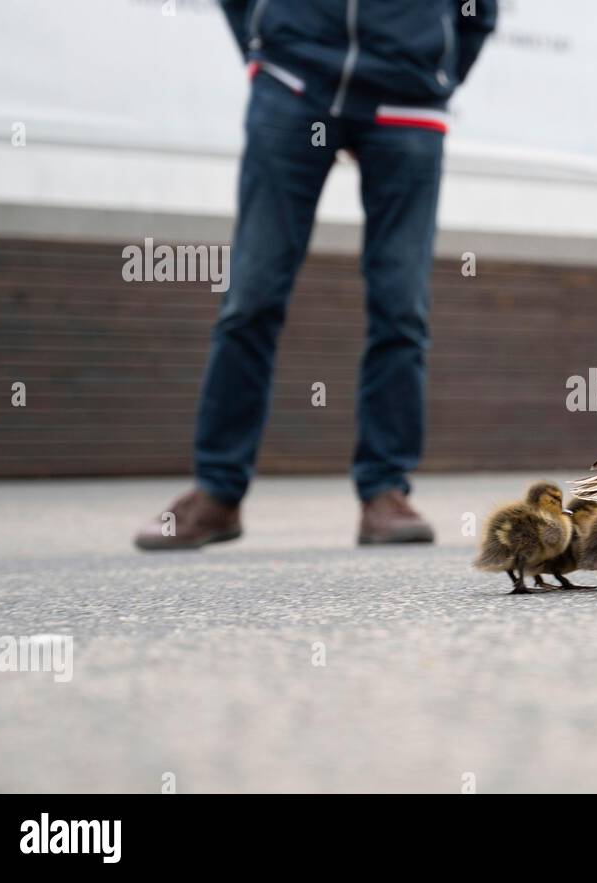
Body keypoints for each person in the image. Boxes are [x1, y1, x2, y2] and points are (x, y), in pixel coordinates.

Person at [135, 0, 498, 550]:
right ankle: (218, 491)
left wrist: (435, 72)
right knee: (251, 297)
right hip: (293, 85)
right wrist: (268, 49)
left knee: (400, 304)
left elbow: (479, 13)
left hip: (408, 101)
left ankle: (384, 493)